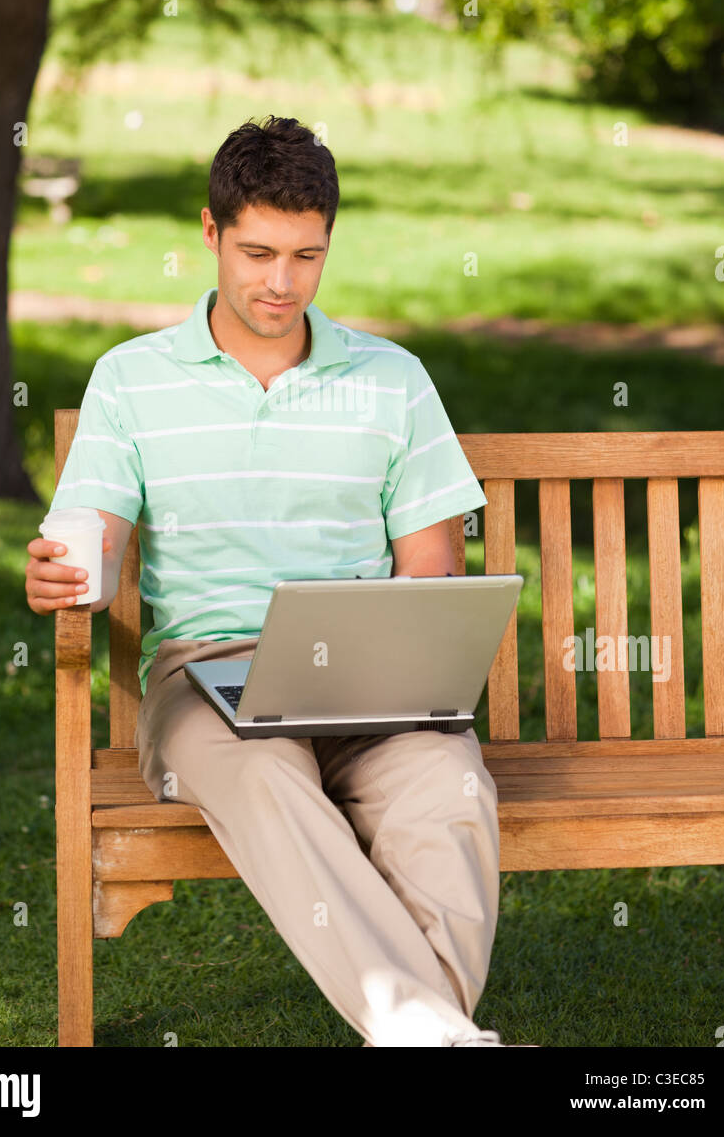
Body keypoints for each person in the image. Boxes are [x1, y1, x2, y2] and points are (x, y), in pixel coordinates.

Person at [25, 115, 508, 1048]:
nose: (281, 283)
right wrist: (68, 579)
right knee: (269, 776)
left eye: (306, 256)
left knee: (448, 790)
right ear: (208, 235)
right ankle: (434, 1033)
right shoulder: (132, 381)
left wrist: (411, 657)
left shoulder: (391, 379)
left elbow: (431, 568)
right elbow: (99, 543)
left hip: (372, 683)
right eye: (256, 253)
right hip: (210, 677)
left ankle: (421, 1037)